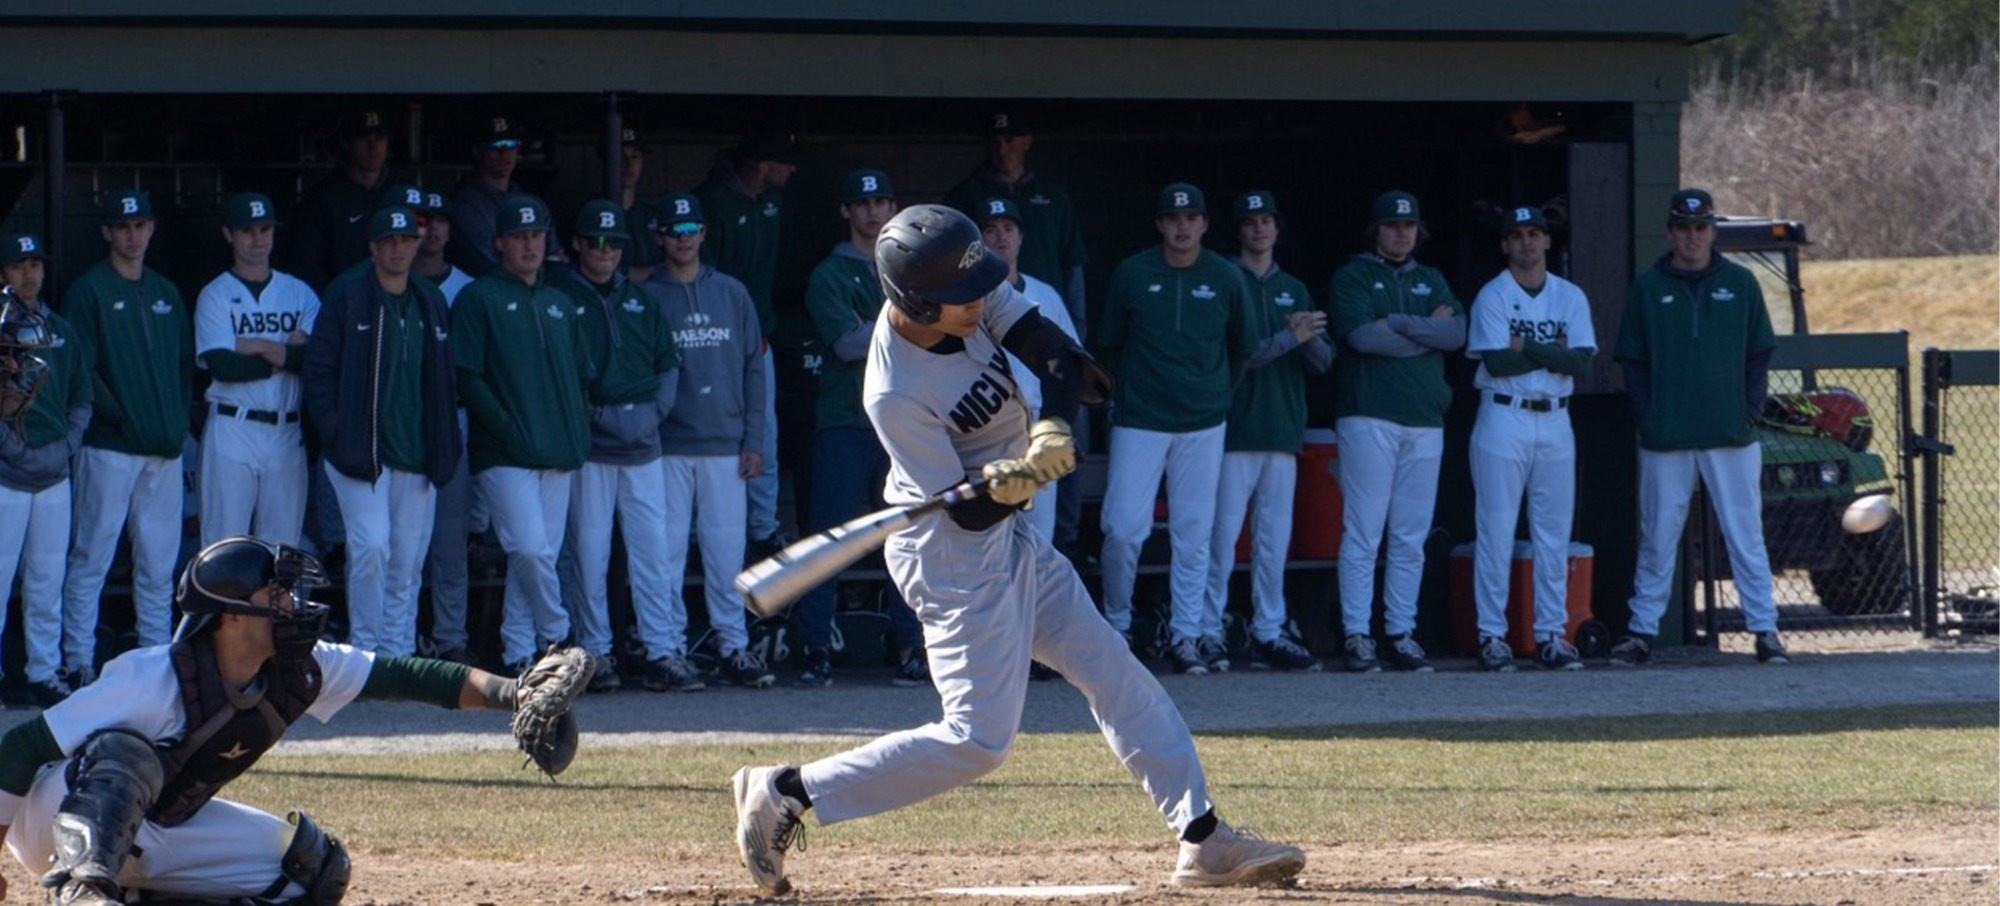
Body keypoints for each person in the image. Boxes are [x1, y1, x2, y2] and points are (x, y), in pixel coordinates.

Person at [731, 205, 1305, 895]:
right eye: (960, 299)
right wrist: (1017, 480)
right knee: (978, 741)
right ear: (914, 300)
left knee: (1111, 668)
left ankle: (1203, 839)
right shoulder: (895, 392)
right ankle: (786, 790)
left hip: (1008, 532)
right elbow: (967, 515)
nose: (978, 304)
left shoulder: (968, 284)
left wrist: (1052, 430)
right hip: (950, 557)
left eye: (980, 290)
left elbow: (1064, 360)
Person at [0, 535, 585, 906]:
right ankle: (83, 894)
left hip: (161, 829)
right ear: (229, 617)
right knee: (125, 754)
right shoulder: (150, 676)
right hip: (54, 825)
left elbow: (409, 676)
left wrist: (515, 695)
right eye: (275, 594)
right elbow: (20, 748)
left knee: (313, 872)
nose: (291, 605)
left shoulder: (300, 667)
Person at [1611, 188, 1789, 666]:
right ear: (1671, 232)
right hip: (1666, 436)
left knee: (1745, 533)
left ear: (1712, 232)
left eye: (1701, 228)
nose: (1692, 237)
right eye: (1684, 228)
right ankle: (1641, 631)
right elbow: (1632, 360)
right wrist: (1649, 415)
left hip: (1730, 433)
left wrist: (1750, 410)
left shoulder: (1743, 284)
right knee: (1658, 535)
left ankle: (1765, 630)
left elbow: (1759, 354)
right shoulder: (1649, 288)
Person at [1093, 182, 1254, 675]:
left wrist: (1212, 395)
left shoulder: (1226, 277)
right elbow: (1109, 346)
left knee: (1194, 532)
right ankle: (1116, 626)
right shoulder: (1134, 272)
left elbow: (1242, 350)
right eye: (1173, 218)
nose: (1183, 226)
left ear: (1205, 224)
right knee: (1122, 528)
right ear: (1161, 224)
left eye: (1192, 218)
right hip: (1141, 418)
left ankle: (1186, 635)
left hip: (1203, 421)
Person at [302, 206, 461, 658]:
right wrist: (336, 433)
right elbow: (319, 373)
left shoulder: (430, 300)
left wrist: (444, 443)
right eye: (389, 241)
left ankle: (397, 655)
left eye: (406, 240)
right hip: (361, 453)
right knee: (372, 549)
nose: (398, 248)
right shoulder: (349, 297)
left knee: (407, 562)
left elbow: (445, 380)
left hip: (417, 450)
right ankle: (367, 653)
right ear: (372, 247)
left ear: (417, 244)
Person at [794, 169, 926, 688]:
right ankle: (815, 646)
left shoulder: (910, 268)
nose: (873, 211)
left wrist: (876, 323)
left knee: (908, 539)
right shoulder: (829, 273)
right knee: (831, 539)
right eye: (863, 202)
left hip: (902, 427)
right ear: (847, 211)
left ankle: (910, 645)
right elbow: (847, 345)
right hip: (845, 422)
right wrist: (904, 320)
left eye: (883, 201)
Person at [452, 196, 593, 674]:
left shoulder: (560, 301)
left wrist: (575, 432)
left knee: (535, 558)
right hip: (504, 451)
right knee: (529, 548)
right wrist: (508, 427)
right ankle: (559, 636)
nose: (530, 245)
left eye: (536, 236)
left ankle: (517, 653)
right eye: (519, 237)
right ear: (499, 243)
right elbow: (466, 375)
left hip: (557, 449)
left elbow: (582, 374)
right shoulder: (478, 297)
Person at [62, 189, 195, 690]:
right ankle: (78, 661)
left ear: (152, 228)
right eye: (123, 227)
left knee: (159, 564)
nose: (133, 235)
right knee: (91, 555)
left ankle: (155, 660)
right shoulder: (89, 290)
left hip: (161, 450)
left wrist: (175, 423)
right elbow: (83, 369)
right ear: (107, 232)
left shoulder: (165, 290)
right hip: (110, 448)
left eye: (140, 226)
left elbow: (185, 367)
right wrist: (120, 419)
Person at [1328, 190, 1465, 674]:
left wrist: (1403, 325)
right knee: (1364, 530)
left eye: (1408, 226)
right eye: (1392, 226)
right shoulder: (1354, 275)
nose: (1401, 233)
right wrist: (1426, 334)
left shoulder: (1432, 278)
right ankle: (1357, 633)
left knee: (1410, 535)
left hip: (1425, 420)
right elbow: (1362, 337)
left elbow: (1456, 336)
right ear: (1377, 230)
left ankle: (1401, 632)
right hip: (1369, 415)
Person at [647, 193, 775, 691]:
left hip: (726, 446)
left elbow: (753, 370)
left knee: (726, 555)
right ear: (660, 237)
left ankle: (732, 647)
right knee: (666, 554)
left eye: (690, 229)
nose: (683, 238)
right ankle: (671, 650)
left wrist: (754, 440)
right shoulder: (649, 295)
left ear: (703, 234)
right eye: (674, 230)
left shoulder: (733, 293)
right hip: (668, 448)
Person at [553, 200, 680, 692]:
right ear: (579, 245)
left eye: (614, 243)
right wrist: (597, 417)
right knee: (590, 554)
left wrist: (653, 415)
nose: (605, 252)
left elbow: (668, 362)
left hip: (644, 444)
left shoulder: (641, 299)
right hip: (592, 449)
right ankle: (597, 653)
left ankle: (662, 651)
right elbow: (563, 375)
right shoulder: (564, 298)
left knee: (655, 553)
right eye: (596, 241)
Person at [1204, 191, 1332, 673]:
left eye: (1267, 221)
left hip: (1282, 430)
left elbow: (1324, 362)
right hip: (1235, 428)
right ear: (1239, 230)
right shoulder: (1223, 279)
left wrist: (1308, 336)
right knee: (1221, 539)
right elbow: (1241, 355)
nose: (1260, 230)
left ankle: (1268, 630)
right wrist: (1288, 337)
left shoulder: (1293, 287)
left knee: (1274, 540)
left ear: (1278, 229)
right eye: (1251, 222)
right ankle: (1208, 628)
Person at [1465, 205, 1596, 672]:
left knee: (1553, 533)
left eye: (1535, 234)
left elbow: (1581, 363)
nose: (1527, 242)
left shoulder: (1569, 296)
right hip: (1505, 415)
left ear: (1547, 241)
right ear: (1505, 244)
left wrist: (1527, 348)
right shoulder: (1493, 295)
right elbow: (1497, 363)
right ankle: (1492, 635)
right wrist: (1551, 354)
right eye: (1518, 235)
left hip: (1556, 418)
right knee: (1496, 529)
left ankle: (1551, 635)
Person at [194, 192, 318, 548]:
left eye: (265, 229)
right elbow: (222, 365)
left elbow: (312, 361)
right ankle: (221, 609)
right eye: (248, 231)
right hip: (233, 427)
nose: (259, 239)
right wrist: (285, 353)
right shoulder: (215, 294)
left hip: (286, 429)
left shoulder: (300, 293)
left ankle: (272, 609)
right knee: (223, 548)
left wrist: (255, 344)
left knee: (282, 552)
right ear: (229, 234)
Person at [693, 131, 794, 560]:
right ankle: (700, 538)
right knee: (708, 438)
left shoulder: (772, 202)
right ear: (762, 164)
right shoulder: (713, 200)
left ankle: (763, 528)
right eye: (783, 162)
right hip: (713, 342)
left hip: (760, 340)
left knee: (764, 436)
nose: (790, 171)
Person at [0, 241, 93, 707]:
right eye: (19, 265)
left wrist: (65, 448)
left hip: (55, 473)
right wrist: (12, 448)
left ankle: (43, 672)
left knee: (46, 579)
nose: (29, 274)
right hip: (5, 475)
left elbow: (82, 398)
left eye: (35, 263)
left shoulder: (61, 331)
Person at [975, 196, 1079, 543]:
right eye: (991, 230)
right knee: (991, 538)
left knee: (1038, 539)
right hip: (986, 430)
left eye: (1008, 228)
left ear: (1021, 237)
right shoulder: (966, 299)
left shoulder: (1045, 293)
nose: (1001, 237)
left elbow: (1072, 362)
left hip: (1037, 429)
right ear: (978, 239)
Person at [944, 111, 1090, 330]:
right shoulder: (966, 195)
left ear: (1027, 142)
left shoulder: (1053, 196)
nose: (1002, 150)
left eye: (1010, 141)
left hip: (1045, 308)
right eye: (995, 142)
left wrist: (1078, 322)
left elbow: (1072, 262)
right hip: (984, 311)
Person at [412, 189, 479, 665]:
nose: (430, 230)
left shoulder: (469, 289)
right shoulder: (389, 284)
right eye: (421, 220)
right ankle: (402, 638)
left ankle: (451, 636)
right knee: (399, 544)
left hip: (454, 416)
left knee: (450, 541)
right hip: (404, 419)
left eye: (439, 221)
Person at [283, 106, 398, 292]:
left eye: (379, 137)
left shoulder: (401, 193)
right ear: (346, 142)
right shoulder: (322, 199)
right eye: (363, 137)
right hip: (342, 308)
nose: (373, 145)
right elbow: (307, 270)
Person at [445, 113, 529, 278]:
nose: (504, 152)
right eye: (496, 145)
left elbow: (553, 256)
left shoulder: (527, 200)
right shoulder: (466, 203)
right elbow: (487, 260)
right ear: (478, 152)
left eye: (510, 144)